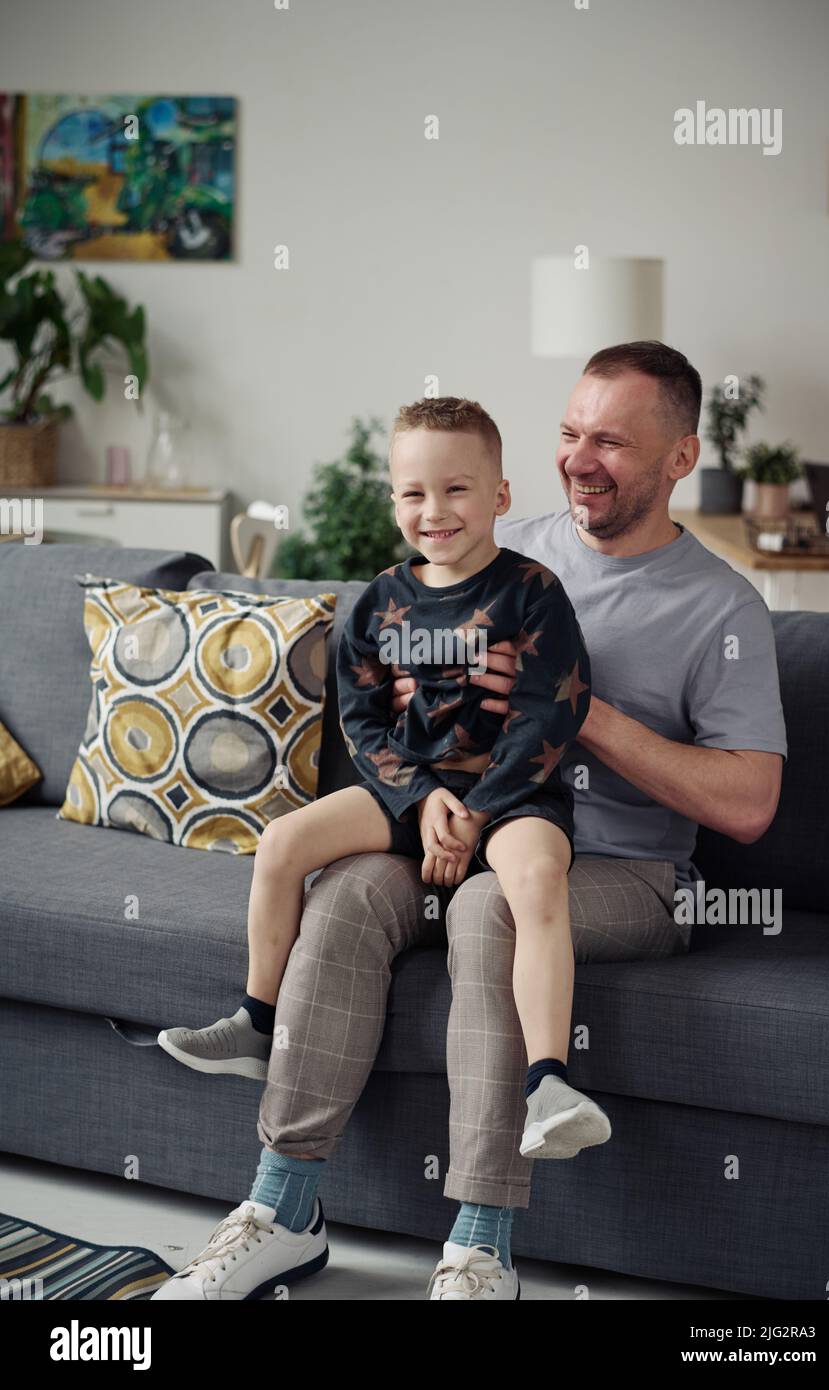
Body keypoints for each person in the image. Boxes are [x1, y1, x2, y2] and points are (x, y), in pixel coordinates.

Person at [153, 341, 787, 1302]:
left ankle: (481, 1246)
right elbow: (384, 687)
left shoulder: (722, 606)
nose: (580, 458)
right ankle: (282, 1207)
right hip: (455, 825)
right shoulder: (492, 544)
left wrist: (582, 709)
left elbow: (749, 804)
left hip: (628, 871)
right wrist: (422, 789)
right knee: (350, 889)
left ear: (681, 458)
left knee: (495, 905)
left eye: (612, 441)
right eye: (571, 433)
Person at [158, 396, 603, 1172]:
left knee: (536, 876)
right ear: (393, 500)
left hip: (511, 797)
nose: (435, 510)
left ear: (500, 495)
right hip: (410, 793)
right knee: (284, 841)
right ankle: (259, 1022)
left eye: (457, 489)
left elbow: (551, 717)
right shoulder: (379, 600)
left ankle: (548, 1084)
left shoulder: (532, 593)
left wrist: (475, 810)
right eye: (413, 492)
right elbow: (362, 726)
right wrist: (422, 798)